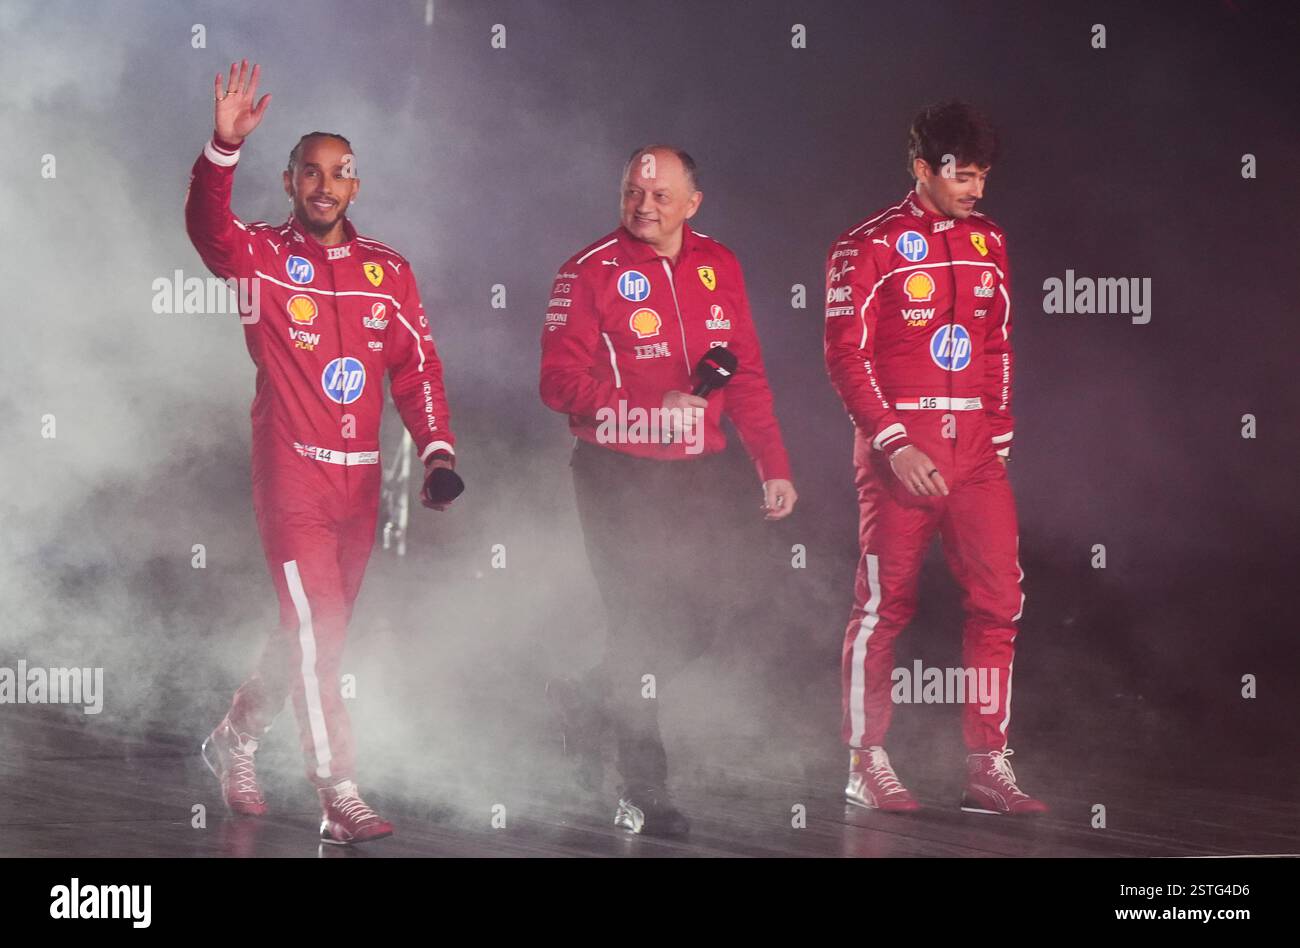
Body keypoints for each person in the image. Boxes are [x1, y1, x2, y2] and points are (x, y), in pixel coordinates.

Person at [186, 61, 460, 844]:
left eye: (339, 173)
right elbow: (208, 230)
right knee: (317, 633)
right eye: (310, 171)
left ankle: (235, 736)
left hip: (360, 487)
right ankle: (337, 786)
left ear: (355, 187)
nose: (325, 185)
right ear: (289, 180)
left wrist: (437, 453)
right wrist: (221, 148)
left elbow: (418, 370)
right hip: (291, 473)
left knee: (311, 635)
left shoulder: (388, 273)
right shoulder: (262, 257)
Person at [540, 146, 797, 836]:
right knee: (638, 625)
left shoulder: (722, 265)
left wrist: (772, 464)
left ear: (692, 203)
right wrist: (649, 404)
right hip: (615, 474)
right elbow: (558, 384)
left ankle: (586, 697)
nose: (643, 206)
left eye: (659, 195)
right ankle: (646, 789)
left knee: (706, 619)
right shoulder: (587, 271)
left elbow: (743, 373)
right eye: (631, 193)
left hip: (698, 478)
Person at [824, 102, 1048, 816]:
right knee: (884, 606)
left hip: (976, 455)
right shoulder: (868, 245)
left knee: (999, 601)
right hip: (899, 455)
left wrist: (999, 436)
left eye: (983, 175)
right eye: (963, 175)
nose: (976, 188)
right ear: (923, 169)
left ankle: (987, 765)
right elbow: (844, 356)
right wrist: (894, 443)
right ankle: (865, 762)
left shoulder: (990, 241)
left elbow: (998, 346)